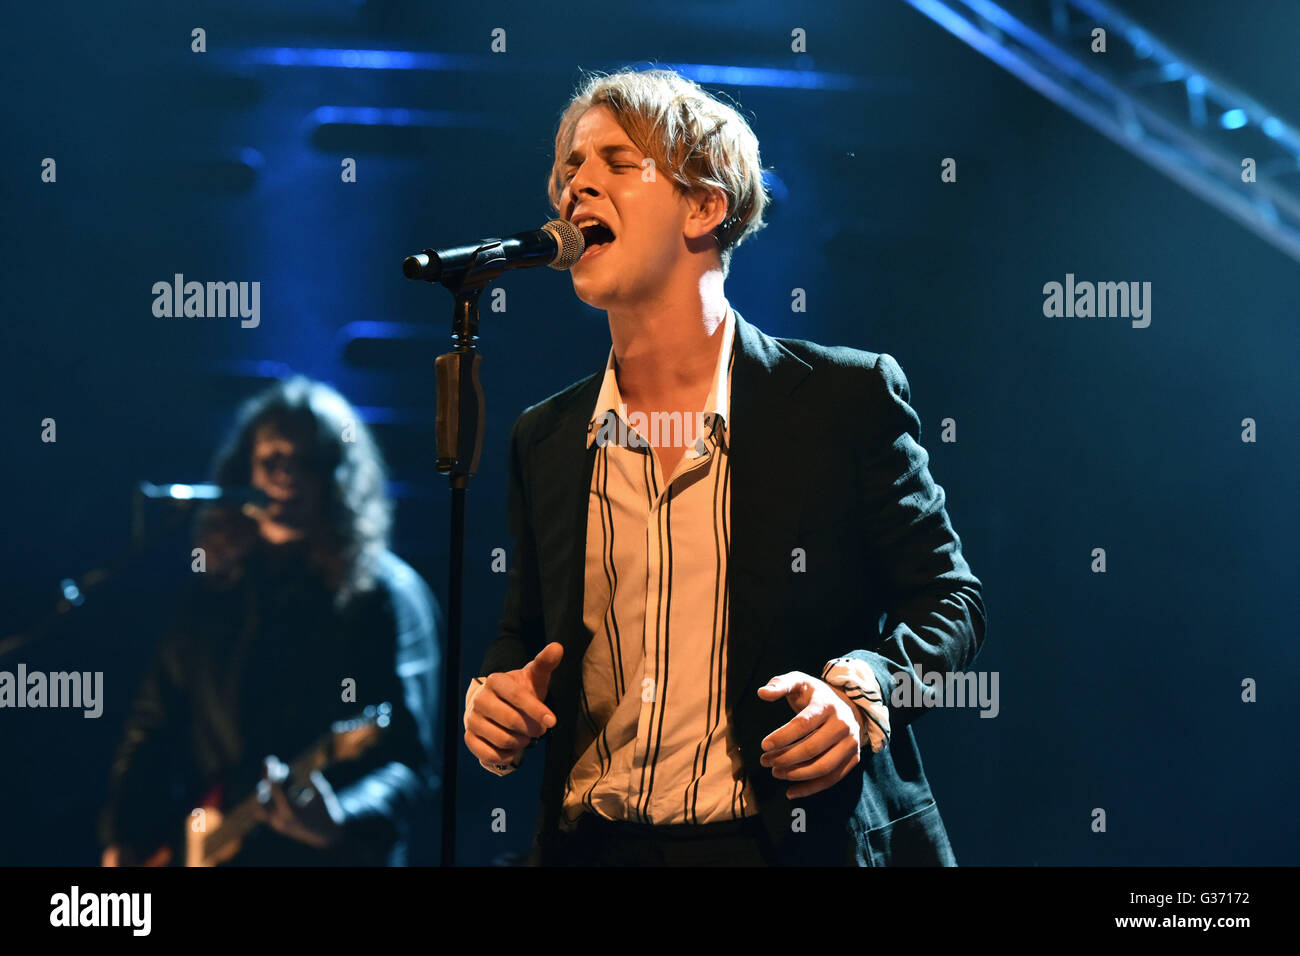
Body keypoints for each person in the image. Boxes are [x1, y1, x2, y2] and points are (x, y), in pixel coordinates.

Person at [462, 68, 988, 866]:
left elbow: (951, 600)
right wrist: (496, 698)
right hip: (597, 847)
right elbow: (526, 639)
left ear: (706, 206)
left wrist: (862, 696)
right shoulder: (546, 436)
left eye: (615, 162)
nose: (576, 188)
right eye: (569, 168)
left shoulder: (841, 398)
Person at [100, 376, 440, 866]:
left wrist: (341, 816)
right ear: (246, 469)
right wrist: (125, 836)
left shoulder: (386, 593)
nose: (287, 476)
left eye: (308, 462)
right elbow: (152, 723)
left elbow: (413, 762)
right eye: (272, 460)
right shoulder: (217, 588)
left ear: (336, 477)